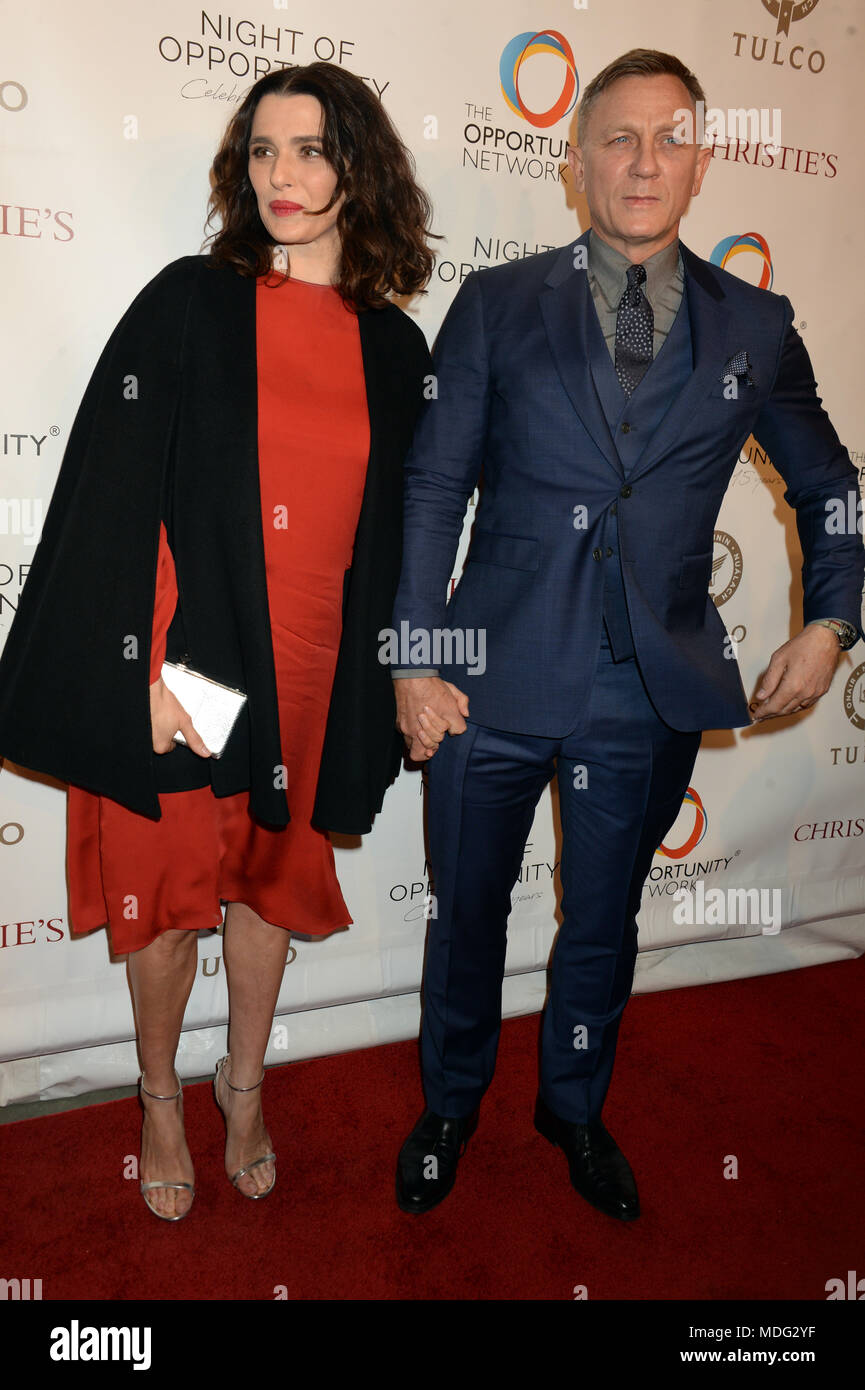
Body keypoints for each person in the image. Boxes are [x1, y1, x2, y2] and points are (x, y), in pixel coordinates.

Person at [390, 48, 864, 1221]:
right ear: (575, 156)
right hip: (485, 676)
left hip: (643, 688)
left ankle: (572, 1105)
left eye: (669, 139)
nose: (642, 161)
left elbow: (830, 490)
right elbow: (431, 486)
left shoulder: (757, 322)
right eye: (618, 136)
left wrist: (833, 618)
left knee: (600, 922)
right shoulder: (499, 303)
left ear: (701, 163)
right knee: (467, 914)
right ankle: (450, 1103)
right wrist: (414, 653)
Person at [0, 62, 434, 1220]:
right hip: (191, 665)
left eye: (311, 151)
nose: (282, 178)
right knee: (169, 898)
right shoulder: (192, 299)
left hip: (312, 669)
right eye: (262, 152)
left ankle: (243, 1087)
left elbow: (408, 531)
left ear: (361, 169)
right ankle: (156, 1094)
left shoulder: (394, 348)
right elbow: (109, 491)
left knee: (267, 892)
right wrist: (129, 667)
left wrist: (403, 669)